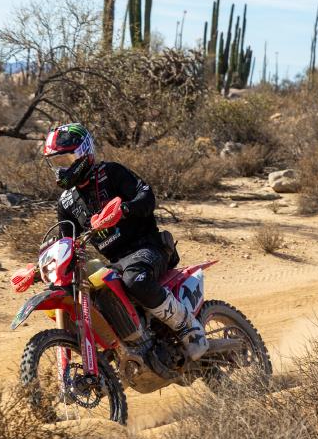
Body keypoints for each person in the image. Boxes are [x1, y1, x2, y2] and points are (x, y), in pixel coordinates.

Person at [42, 123, 208, 361]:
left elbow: (147, 195)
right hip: (116, 262)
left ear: (84, 153)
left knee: (134, 279)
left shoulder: (111, 173)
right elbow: (65, 241)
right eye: (56, 162)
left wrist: (125, 210)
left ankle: (187, 327)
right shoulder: (66, 203)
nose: (62, 169)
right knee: (87, 292)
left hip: (148, 247)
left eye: (67, 160)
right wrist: (42, 267)